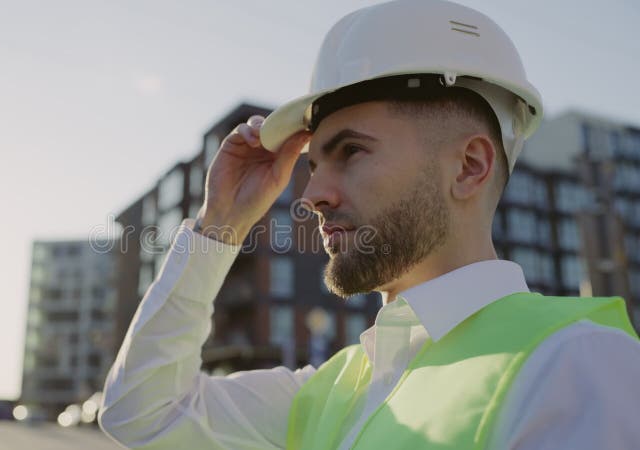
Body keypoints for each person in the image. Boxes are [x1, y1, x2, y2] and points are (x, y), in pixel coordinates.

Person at [99, 0, 640, 448]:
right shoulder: (334, 387)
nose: (311, 196)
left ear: (470, 166)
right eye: (313, 165)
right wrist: (221, 223)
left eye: (352, 151)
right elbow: (141, 415)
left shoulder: (580, 364)